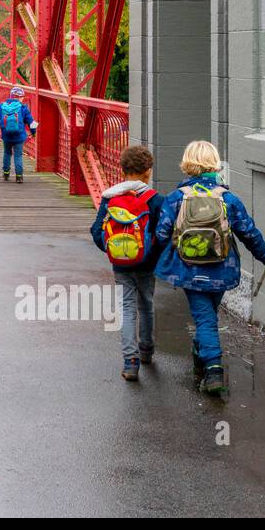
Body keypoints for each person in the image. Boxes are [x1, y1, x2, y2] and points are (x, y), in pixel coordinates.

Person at [153, 140, 265, 396]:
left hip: (188, 269)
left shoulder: (177, 198)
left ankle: (214, 370)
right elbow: (249, 233)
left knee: (205, 319)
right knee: (208, 315)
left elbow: (162, 232)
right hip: (222, 270)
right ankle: (201, 356)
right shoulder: (228, 199)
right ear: (214, 164)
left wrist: (153, 257)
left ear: (188, 164)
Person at [90, 145, 164, 381]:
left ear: (123, 170)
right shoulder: (155, 200)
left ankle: (130, 362)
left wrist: (113, 250)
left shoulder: (110, 197)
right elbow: (163, 233)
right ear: (148, 171)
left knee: (128, 308)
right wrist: (151, 253)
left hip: (120, 265)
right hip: (146, 263)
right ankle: (146, 350)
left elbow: (95, 231)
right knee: (146, 304)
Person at [0, 86, 36, 183]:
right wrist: (33, 133)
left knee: (7, 153)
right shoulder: (23, 108)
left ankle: (6, 173)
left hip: (6, 135)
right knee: (18, 155)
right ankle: (19, 176)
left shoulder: (2, 107)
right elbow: (31, 122)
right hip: (19, 136)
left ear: (11, 96)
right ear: (20, 97)